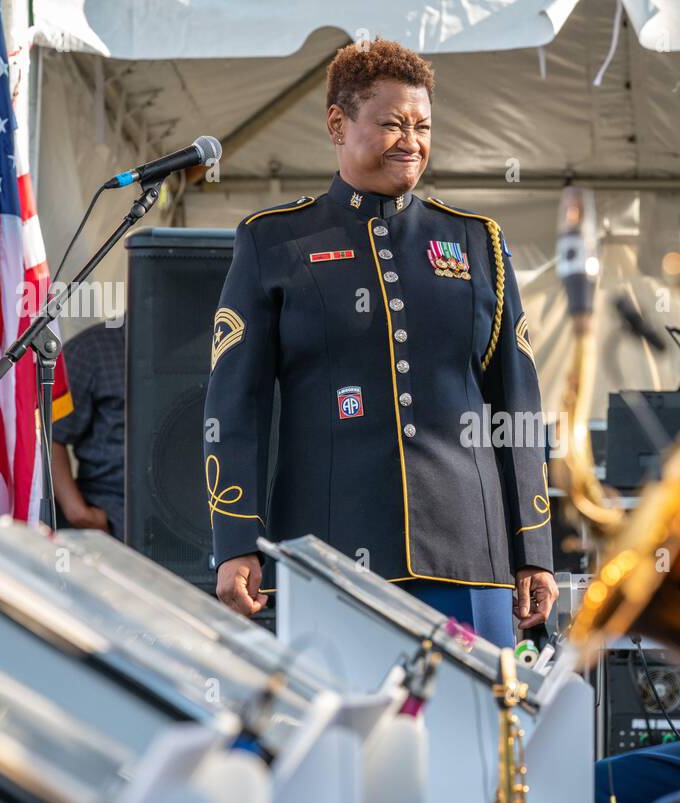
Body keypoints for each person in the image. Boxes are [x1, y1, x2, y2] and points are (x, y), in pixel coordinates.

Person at [203, 38, 557, 647]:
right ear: (338, 125)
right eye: (392, 123)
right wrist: (236, 542)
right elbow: (237, 406)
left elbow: (516, 405)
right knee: (341, 738)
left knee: (481, 735)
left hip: (470, 555)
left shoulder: (477, 241)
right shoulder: (273, 241)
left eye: (422, 125)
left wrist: (534, 546)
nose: (411, 141)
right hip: (329, 553)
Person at [51, 320, 126, 539]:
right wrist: (77, 511)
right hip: (109, 521)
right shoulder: (91, 349)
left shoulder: (217, 344)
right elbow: (48, 434)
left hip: (189, 523)